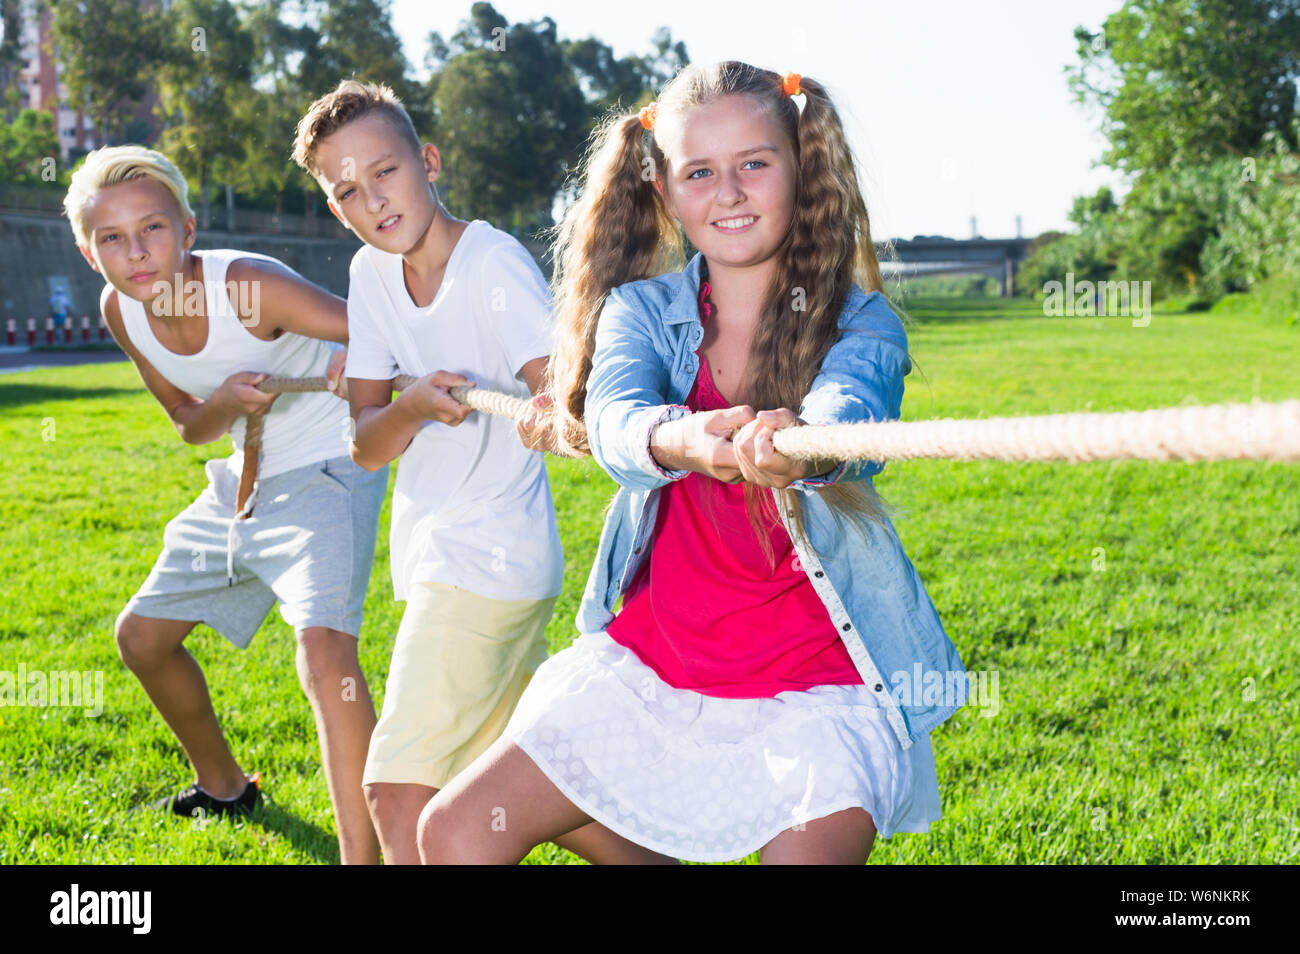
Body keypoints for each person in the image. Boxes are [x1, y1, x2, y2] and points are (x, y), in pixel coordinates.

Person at [416, 61, 968, 865]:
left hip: (817, 685)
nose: (730, 192)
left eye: (755, 163)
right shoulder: (640, 311)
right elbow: (613, 416)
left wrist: (802, 445)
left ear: (800, 166)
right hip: (651, 663)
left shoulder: (861, 320)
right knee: (456, 831)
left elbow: (858, 416)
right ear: (666, 190)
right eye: (699, 172)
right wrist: (686, 438)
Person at [293, 79, 670, 864]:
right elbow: (366, 441)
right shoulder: (368, 277)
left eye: (386, 172)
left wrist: (545, 412)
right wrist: (416, 407)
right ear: (337, 209)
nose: (375, 200)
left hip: (487, 563)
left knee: (397, 795)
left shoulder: (491, 264)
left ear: (427, 161)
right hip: (437, 561)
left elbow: (561, 405)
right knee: (520, 789)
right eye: (349, 191)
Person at [64, 145, 387, 865]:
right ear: (91, 256)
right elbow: (187, 425)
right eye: (111, 239)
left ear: (187, 227)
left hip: (326, 470)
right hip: (243, 477)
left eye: (151, 228)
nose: (136, 252)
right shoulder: (121, 310)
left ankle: (364, 861)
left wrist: (350, 363)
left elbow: (381, 333)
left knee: (323, 652)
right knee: (141, 638)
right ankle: (225, 786)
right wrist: (223, 403)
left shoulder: (248, 285)